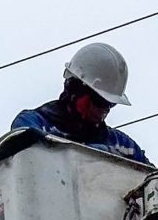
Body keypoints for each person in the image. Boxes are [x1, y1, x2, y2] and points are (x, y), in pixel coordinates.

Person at [9, 40, 149, 164]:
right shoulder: (33, 123)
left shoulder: (123, 146)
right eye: (99, 101)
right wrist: (92, 155)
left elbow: (155, 179)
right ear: (75, 91)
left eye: (110, 104)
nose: (104, 110)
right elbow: (31, 158)